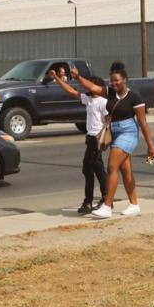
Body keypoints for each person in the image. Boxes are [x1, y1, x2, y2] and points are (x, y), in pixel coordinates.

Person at [89, 62, 154, 217]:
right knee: (125, 170)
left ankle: (107, 206)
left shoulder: (134, 97)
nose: (113, 83)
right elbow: (93, 88)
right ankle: (134, 205)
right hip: (115, 131)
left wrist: (151, 145)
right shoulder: (111, 94)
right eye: (111, 81)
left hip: (128, 132)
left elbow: (143, 122)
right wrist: (77, 77)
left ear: (124, 80)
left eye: (116, 81)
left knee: (112, 166)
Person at [48, 67, 109, 214]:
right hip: (89, 138)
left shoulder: (103, 102)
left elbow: (108, 122)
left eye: (90, 84)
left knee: (95, 169)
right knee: (91, 169)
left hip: (97, 138)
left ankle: (102, 199)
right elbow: (71, 91)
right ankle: (95, 200)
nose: (86, 86)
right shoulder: (88, 99)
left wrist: (101, 137)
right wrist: (56, 78)